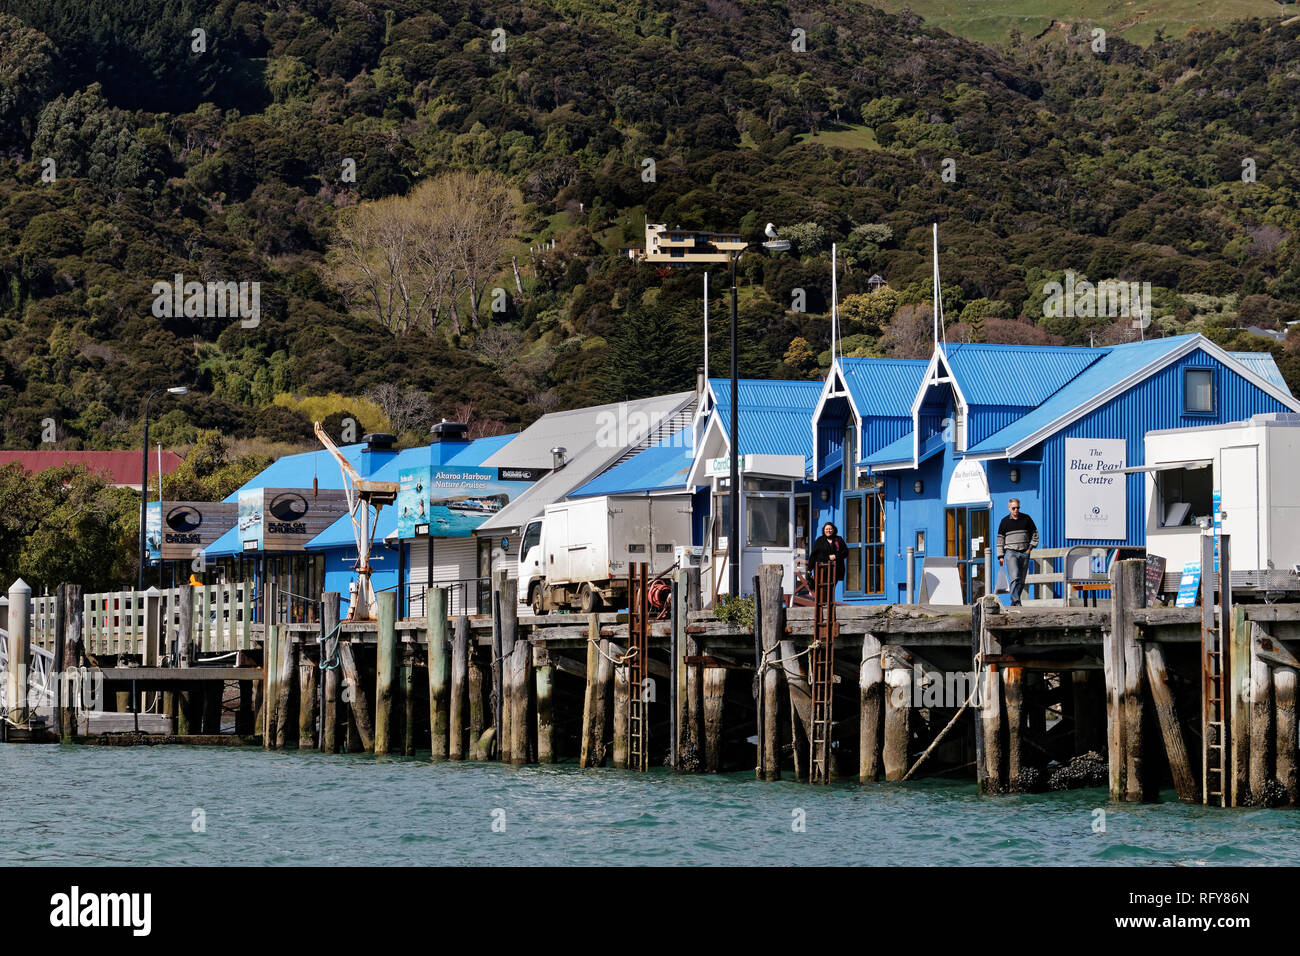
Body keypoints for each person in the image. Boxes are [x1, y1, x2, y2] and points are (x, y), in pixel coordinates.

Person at [997, 498, 1038, 606]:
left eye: (1018, 508)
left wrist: (1030, 549)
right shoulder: (1004, 521)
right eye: (1014, 508)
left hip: (1025, 552)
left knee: (1021, 580)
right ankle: (1016, 600)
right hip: (1011, 552)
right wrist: (1000, 556)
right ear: (1009, 508)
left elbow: (1035, 534)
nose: (1016, 510)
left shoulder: (1026, 519)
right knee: (1014, 576)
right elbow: (1000, 540)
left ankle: (1014, 601)